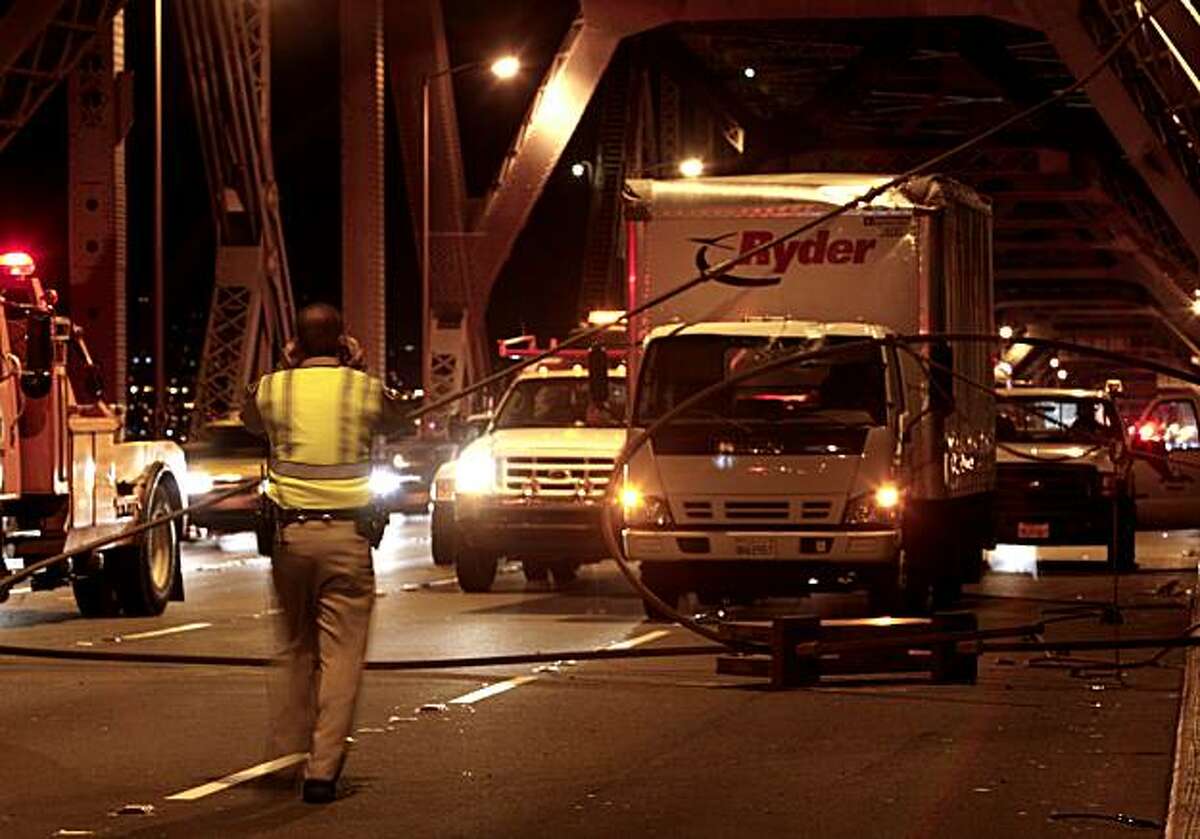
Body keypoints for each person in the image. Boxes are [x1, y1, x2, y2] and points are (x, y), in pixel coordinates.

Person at [242, 303, 405, 804]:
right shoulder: (362, 388)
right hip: (348, 543)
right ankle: (322, 769)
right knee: (341, 657)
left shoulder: (275, 387)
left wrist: (287, 370)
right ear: (343, 341)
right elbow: (398, 421)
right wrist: (356, 368)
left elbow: (250, 422)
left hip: (290, 542)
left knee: (295, 648)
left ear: (295, 343)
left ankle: (287, 751)